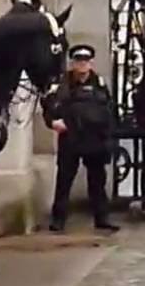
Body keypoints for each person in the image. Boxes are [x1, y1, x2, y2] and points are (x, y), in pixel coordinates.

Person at [41, 44, 118, 232]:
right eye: (78, 61)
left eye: (85, 61)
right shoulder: (61, 84)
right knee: (64, 180)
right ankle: (58, 219)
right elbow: (48, 106)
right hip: (71, 137)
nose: (82, 65)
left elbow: (109, 109)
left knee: (97, 181)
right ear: (72, 63)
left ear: (91, 63)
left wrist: (108, 137)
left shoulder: (99, 83)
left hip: (94, 139)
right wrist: (53, 122)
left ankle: (102, 218)